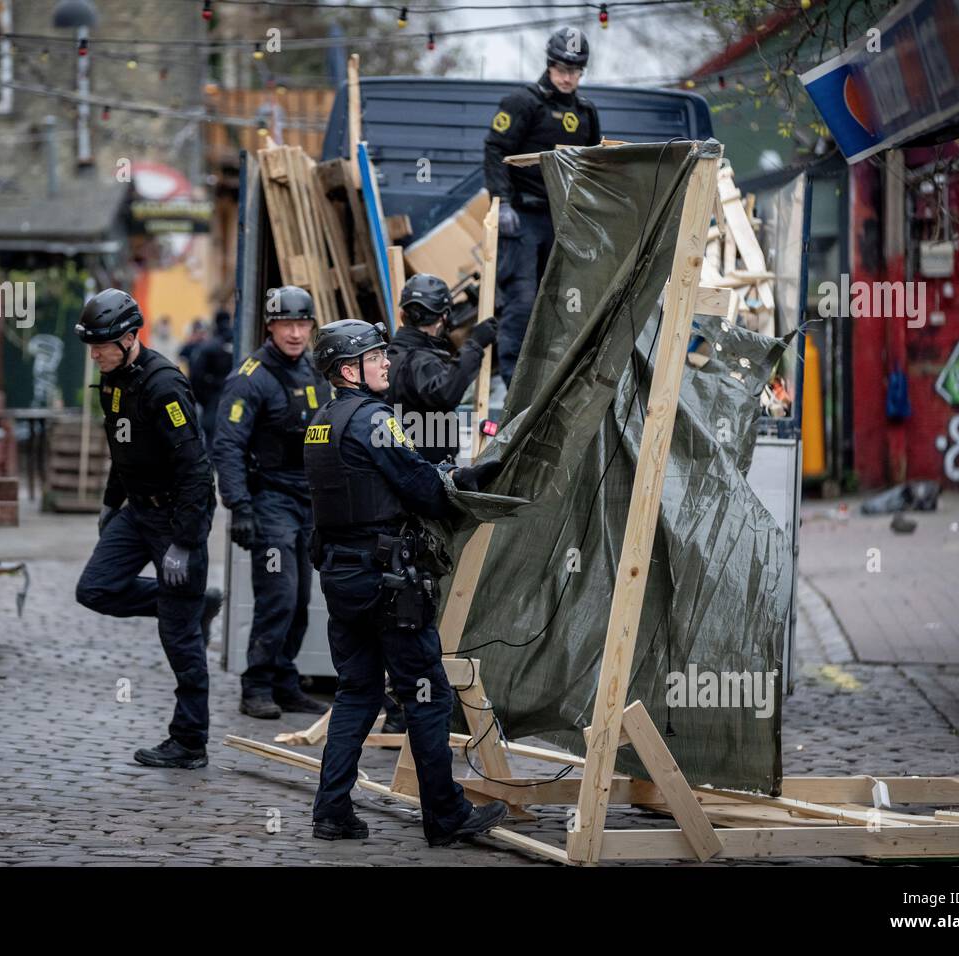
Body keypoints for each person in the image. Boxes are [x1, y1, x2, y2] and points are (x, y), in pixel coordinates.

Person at [303, 318, 509, 846]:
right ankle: (446, 816)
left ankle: (331, 812)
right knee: (428, 695)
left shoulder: (321, 421)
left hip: (343, 576)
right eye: (375, 357)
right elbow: (423, 490)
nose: (386, 363)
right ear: (350, 370)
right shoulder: (375, 419)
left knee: (356, 693)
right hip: (389, 579)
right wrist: (458, 481)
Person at [73, 289, 220, 769]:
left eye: (103, 344)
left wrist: (185, 541)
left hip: (177, 515)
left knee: (180, 639)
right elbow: (124, 448)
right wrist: (110, 502)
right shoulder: (113, 380)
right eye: (91, 345)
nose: (95, 353)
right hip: (137, 510)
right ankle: (194, 602)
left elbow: (197, 471)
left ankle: (189, 742)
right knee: (95, 589)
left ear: (131, 337)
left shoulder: (164, 386)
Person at [213, 286, 330, 719]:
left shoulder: (315, 371)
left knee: (300, 597)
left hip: (307, 503)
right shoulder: (251, 377)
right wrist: (239, 506)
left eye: (303, 324)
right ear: (271, 327)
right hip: (270, 504)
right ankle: (256, 685)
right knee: (278, 595)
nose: (296, 333)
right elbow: (226, 446)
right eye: (287, 325)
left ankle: (284, 680)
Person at [483, 26, 602, 386]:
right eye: (562, 69)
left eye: (575, 70)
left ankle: (550, 382)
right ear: (550, 65)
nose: (568, 77)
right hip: (522, 218)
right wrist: (501, 204)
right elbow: (494, 150)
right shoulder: (523, 102)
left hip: (562, 219)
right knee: (520, 303)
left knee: (562, 303)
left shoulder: (585, 111)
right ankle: (512, 386)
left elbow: (594, 162)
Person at [386, 273, 498, 466]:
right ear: (443, 318)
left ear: (403, 314)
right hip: (427, 471)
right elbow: (445, 391)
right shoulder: (419, 361)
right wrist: (475, 345)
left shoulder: (388, 357)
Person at [188, 310, 234, 449]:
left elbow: (195, 377)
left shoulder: (208, 347)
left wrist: (204, 400)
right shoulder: (239, 343)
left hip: (211, 405)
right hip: (233, 404)